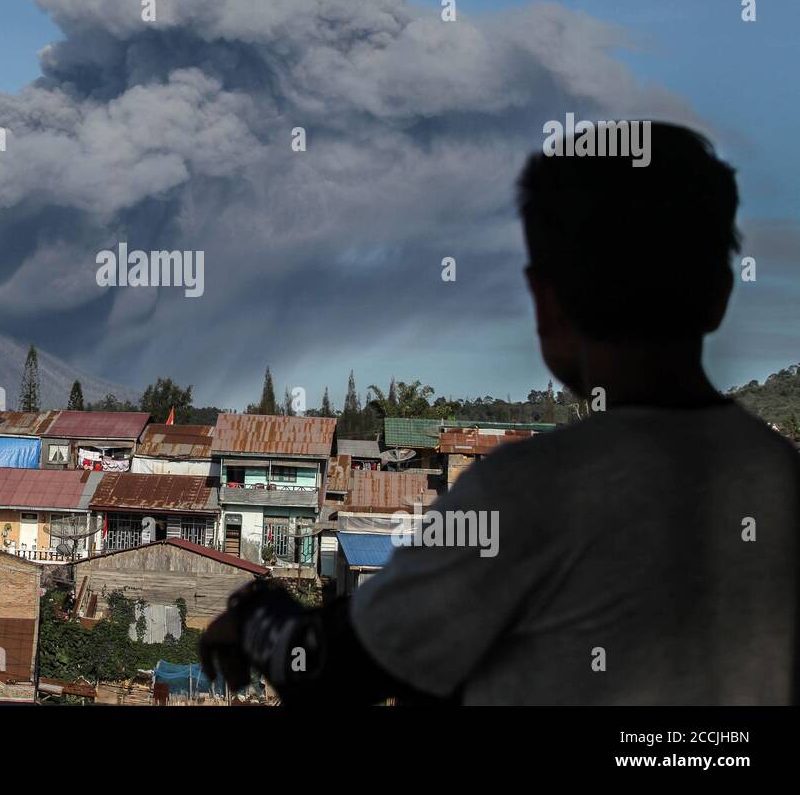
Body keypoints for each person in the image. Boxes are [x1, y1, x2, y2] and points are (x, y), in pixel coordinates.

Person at [201, 122, 800, 705]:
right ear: (721, 291)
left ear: (546, 302)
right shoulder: (783, 479)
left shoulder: (534, 490)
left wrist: (255, 614)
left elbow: (329, 667)